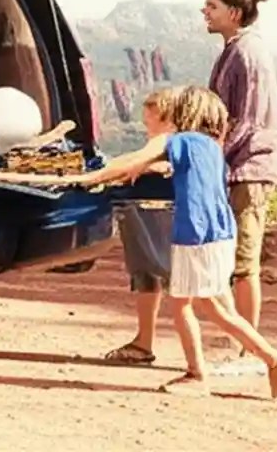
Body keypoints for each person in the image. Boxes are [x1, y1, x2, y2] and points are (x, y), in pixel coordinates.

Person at [0, 86, 277, 399]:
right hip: (221, 235)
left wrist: (92, 177)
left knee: (183, 304)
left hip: (194, 235)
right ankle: (272, 360)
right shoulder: (212, 149)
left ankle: (200, 374)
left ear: (182, 114)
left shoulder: (176, 140)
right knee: (216, 308)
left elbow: (134, 158)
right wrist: (137, 167)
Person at [203, 0, 277, 338]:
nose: (205, 12)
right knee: (229, 259)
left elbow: (247, 121)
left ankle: (249, 345)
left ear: (235, 13)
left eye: (213, 6)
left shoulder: (247, 53)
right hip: (236, 167)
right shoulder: (234, 49)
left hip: (250, 167)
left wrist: (212, 157)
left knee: (243, 263)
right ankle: (241, 340)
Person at [100, 86, 180, 366]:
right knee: (146, 276)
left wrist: (105, 173)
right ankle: (144, 341)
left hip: (162, 216)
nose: (148, 129)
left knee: (179, 282)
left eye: (150, 122)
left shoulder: (170, 142)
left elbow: (149, 163)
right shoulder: (160, 145)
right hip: (142, 213)